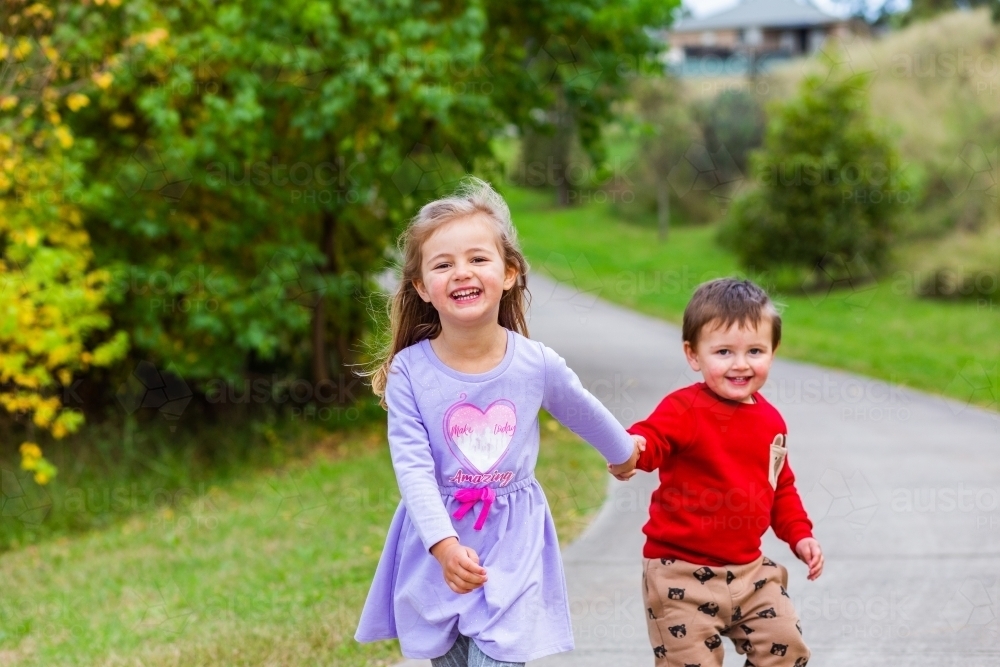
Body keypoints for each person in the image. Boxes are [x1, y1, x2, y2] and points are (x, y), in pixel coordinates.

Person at [355, 177, 643, 666]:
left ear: (509, 272)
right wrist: (443, 546)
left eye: (477, 258)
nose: (461, 272)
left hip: (512, 544)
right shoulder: (410, 372)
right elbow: (413, 468)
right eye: (443, 264)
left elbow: (580, 407)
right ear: (423, 287)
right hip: (437, 543)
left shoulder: (535, 364)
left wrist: (623, 452)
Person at [610, 278, 823, 667]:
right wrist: (632, 451)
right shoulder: (684, 409)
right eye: (724, 351)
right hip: (679, 576)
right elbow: (651, 438)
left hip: (751, 572)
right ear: (694, 355)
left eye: (755, 351)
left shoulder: (771, 421)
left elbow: (781, 486)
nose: (740, 364)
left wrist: (800, 534)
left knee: (786, 645)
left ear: (773, 351)